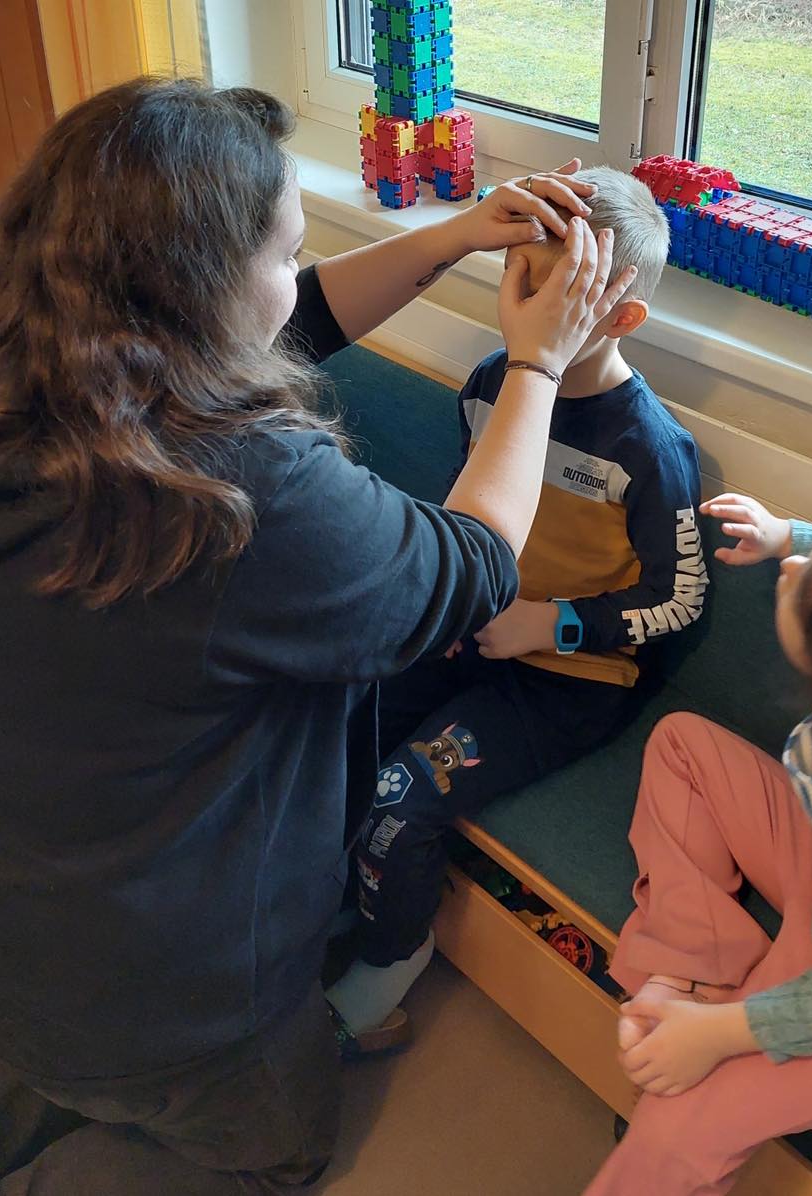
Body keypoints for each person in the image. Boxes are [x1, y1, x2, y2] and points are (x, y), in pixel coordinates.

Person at [0, 78, 638, 1194]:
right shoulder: (237, 496)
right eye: (287, 250)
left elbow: (288, 321)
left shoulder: (16, 353)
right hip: (178, 980)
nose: (298, 276)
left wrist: (453, 237)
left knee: (52, 1056)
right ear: (197, 285)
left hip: (12, 906)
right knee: (274, 1145)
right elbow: (469, 567)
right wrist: (536, 364)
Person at [328, 166, 709, 1043]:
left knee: (399, 798)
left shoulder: (649, 448)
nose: (524, 311)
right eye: (519, 282)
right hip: (474, 633)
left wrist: (553, 623)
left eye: (555, 293)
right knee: (338, 720)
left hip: (569, 681)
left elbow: (679, 598)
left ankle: (394, 956)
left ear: (620, 316)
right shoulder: (493, 382)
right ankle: (347, 893)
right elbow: (467, 509)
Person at [581, 495, 812, 1196]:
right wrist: (787, 534)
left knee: (674, 1128)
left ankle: (706, 1022)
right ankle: (695, 968)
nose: (794, 567)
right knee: (682, 742)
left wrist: (719, 1037)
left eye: (807, 577)